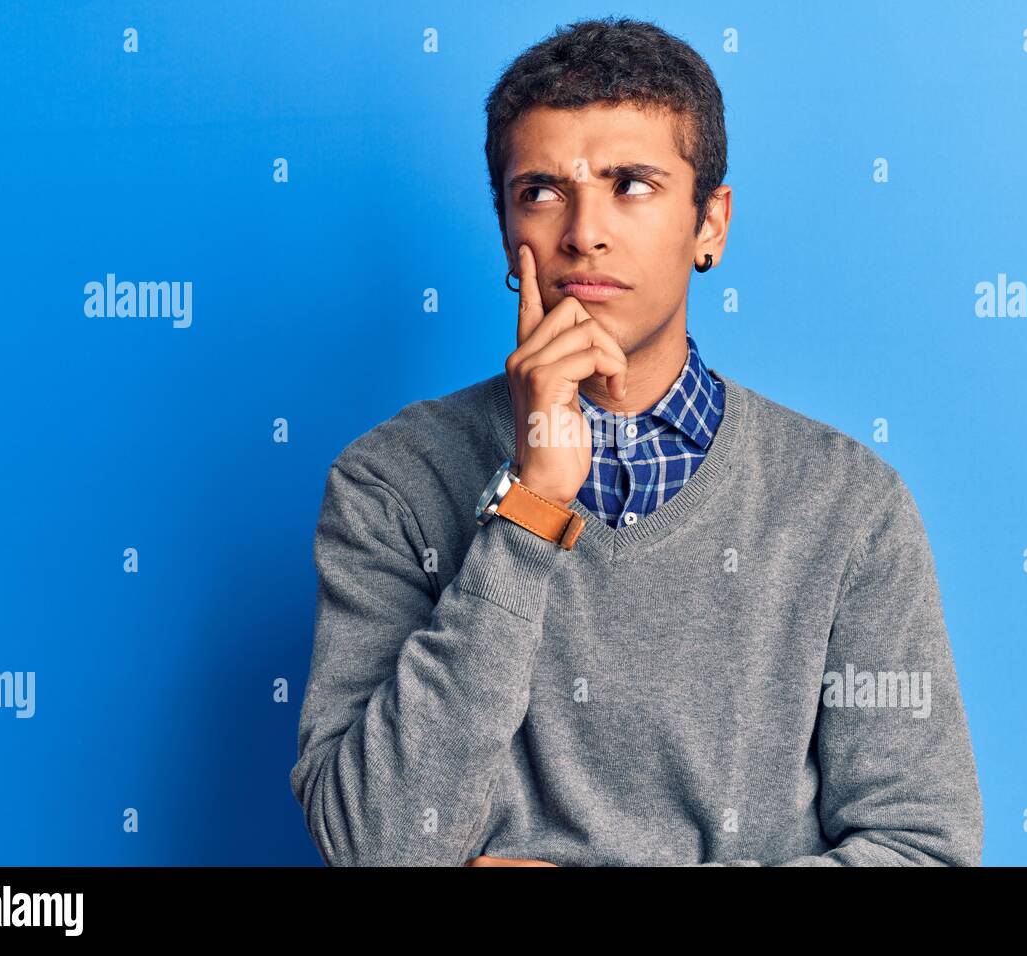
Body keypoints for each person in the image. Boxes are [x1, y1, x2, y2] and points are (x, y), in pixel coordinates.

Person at [289, 16, 983, 866]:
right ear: (509, 230)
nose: (584, 231)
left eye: (632, 184)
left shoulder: (847, 507)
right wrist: (531, 504)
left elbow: (924, 849)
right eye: (542, 190)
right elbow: (375, 846)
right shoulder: (389, 483)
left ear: (710, 226)